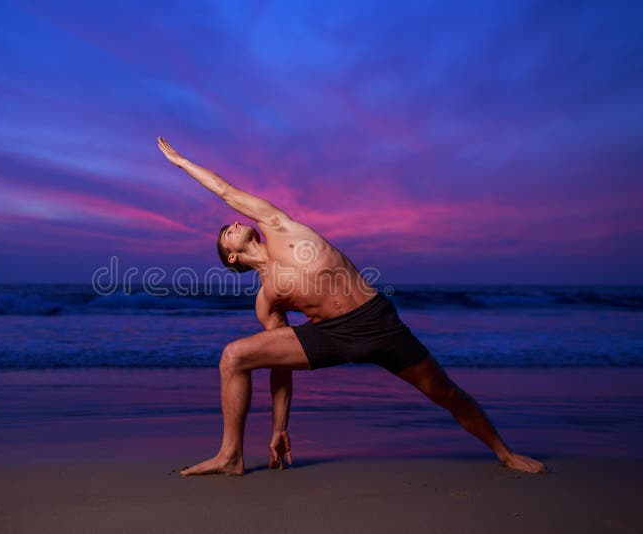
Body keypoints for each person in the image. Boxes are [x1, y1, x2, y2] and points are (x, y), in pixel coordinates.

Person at [156, 136, 546, 476]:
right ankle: (230, 456)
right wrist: (279, 428)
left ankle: (505, 453)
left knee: (442, 391)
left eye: (233, 224)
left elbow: (225, 190)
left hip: (375, 321)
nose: (234, 225)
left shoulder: (276, 224)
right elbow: (281, 367)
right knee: (234, 357)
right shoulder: (267, 298)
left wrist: (182, 162)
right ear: (233, 258)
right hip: (331, 337)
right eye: (227, 234)